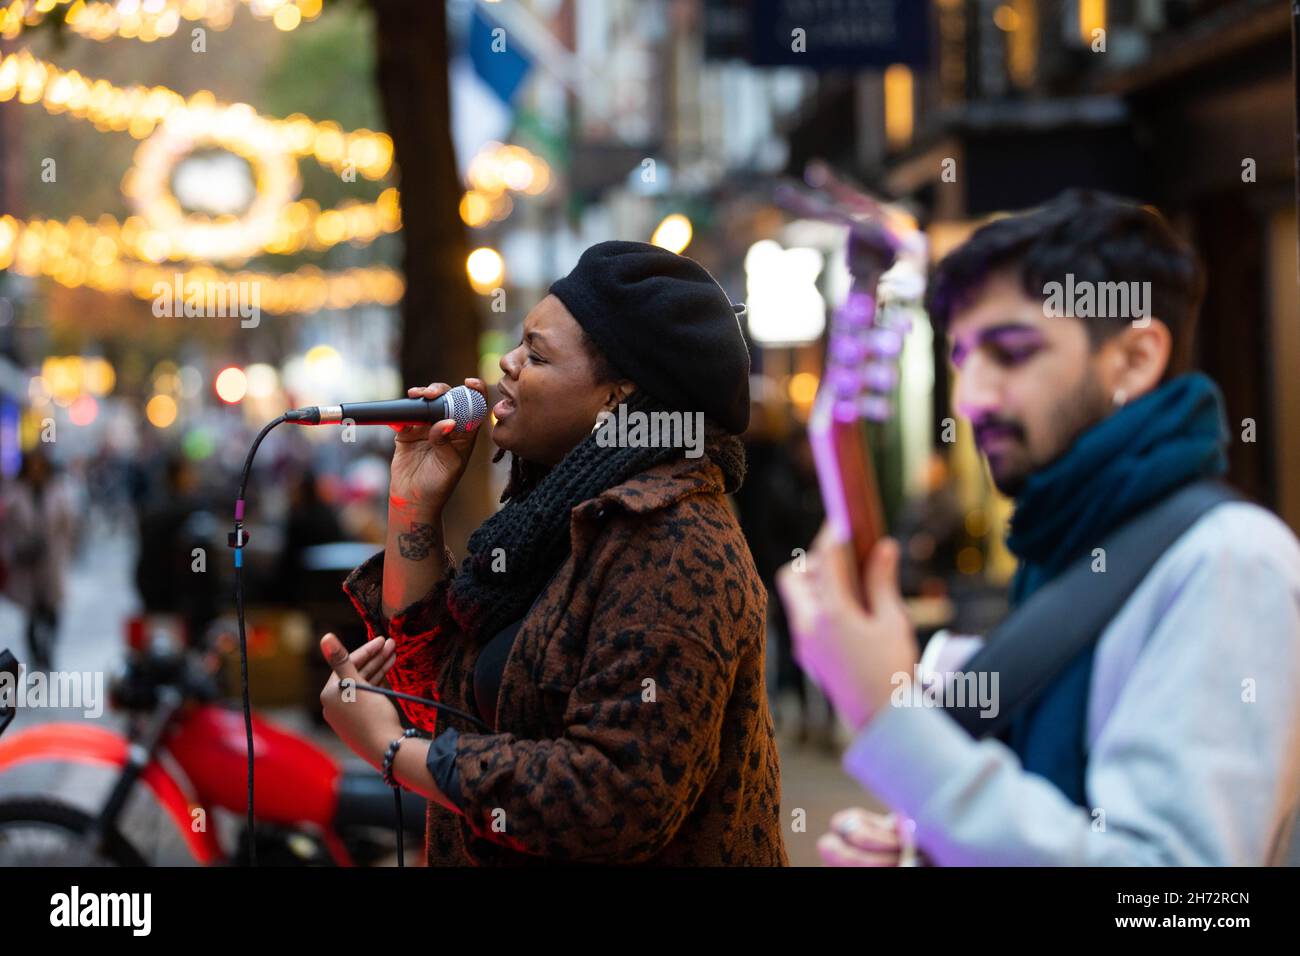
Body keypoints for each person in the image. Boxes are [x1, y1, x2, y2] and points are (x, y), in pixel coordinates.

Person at [778, 190, 1300, 866]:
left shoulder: (1231, 561)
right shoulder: (1070, 542)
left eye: (1013, 352)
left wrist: (890, 717)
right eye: (963, 357)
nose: (971, 399)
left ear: (1135, 359)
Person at [318, 240, 788, 866]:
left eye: (535, 355)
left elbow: (613, 801)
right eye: (519, 344)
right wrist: (413, 505)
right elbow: (436, 689)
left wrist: (394, 752)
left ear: (617, 399)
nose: (506, 364)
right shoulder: (556, 525)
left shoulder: (672, 543)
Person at [0, 447, 78, 670]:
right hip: (27, 563)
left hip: (51, 561)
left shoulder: (57, 491)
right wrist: (15, 549)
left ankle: (48, 650)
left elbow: (69, 524)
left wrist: (65, 549)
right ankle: (37, 657)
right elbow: (7, 529)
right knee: (32, 614)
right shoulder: (15, 494)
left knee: (52, 611)